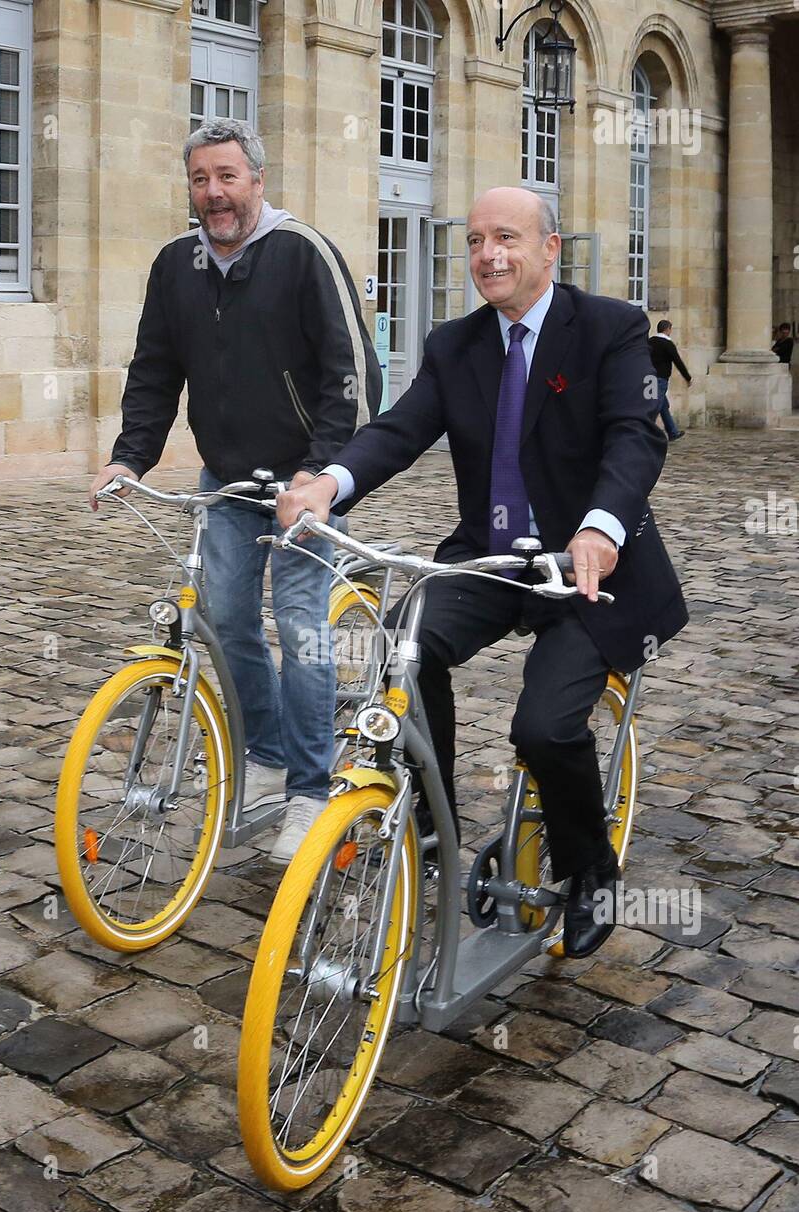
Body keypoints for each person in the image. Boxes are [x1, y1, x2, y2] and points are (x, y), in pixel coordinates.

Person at [278, 186, 688, 958]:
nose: (488, 256)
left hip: (585, 568)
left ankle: (592, 868)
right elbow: (399, 429)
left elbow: (635, 436)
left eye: (506, 237)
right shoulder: (455, 343)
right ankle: (433, 827)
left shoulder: (608, 329)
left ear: (549, 249)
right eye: (474, 241)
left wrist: (601, 528)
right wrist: (330, 484)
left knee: (542, 726)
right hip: (493, 558)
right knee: (410, 643)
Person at [89, 118, 381, 863]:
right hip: (228, 478)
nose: (213, 194)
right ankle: (271, 754)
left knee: (301, 622)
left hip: (306, 478)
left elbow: (354, 376)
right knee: (223, 618)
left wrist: (320, 474)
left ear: (256, 178)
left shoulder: (303, 253)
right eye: (199, 180)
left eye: (226, 177)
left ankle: (312, 792)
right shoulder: (174, 265)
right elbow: (154, 369)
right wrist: (131, 459)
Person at [648, 319, 691, 440]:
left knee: (662, 405)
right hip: (661, 378)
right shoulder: (668, 344)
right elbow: (678, 362)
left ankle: (672, 432)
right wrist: (688, 377)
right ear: (667, 329)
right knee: (654, 405)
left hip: (648, 377)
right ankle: (644, 430)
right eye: (670, 329)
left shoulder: (650, 342)